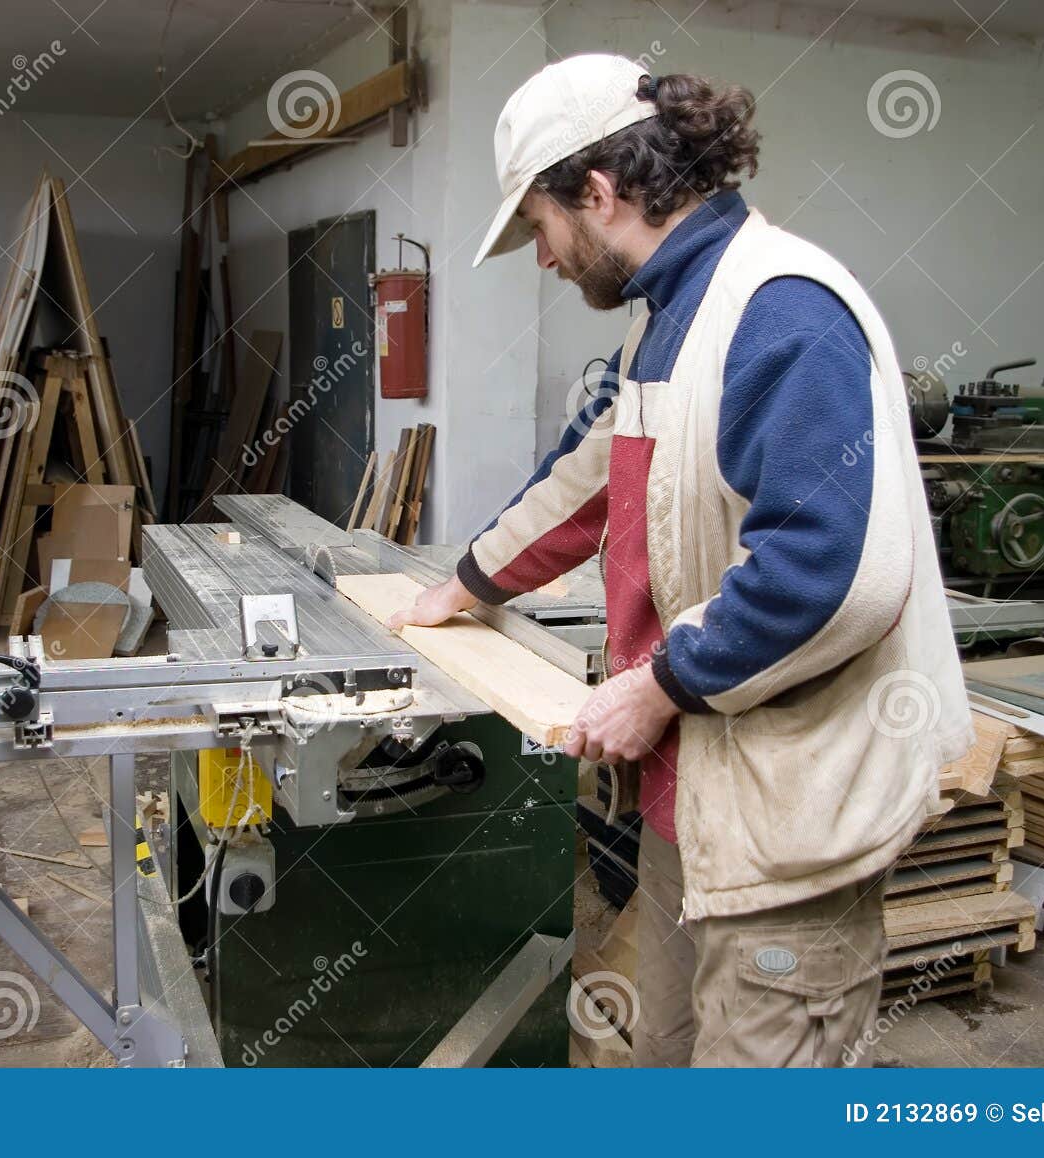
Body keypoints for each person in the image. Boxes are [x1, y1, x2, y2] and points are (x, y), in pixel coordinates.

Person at [387, 53, 972, 1067]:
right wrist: (464, 585)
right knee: (663, 1056)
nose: (542, 258)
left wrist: (658, 686)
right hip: (696, 799)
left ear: (600, 194)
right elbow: (590, 479)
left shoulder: (780, 310)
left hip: (792, 824)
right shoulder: (672, 317)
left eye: (539, 226)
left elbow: (836, 573)